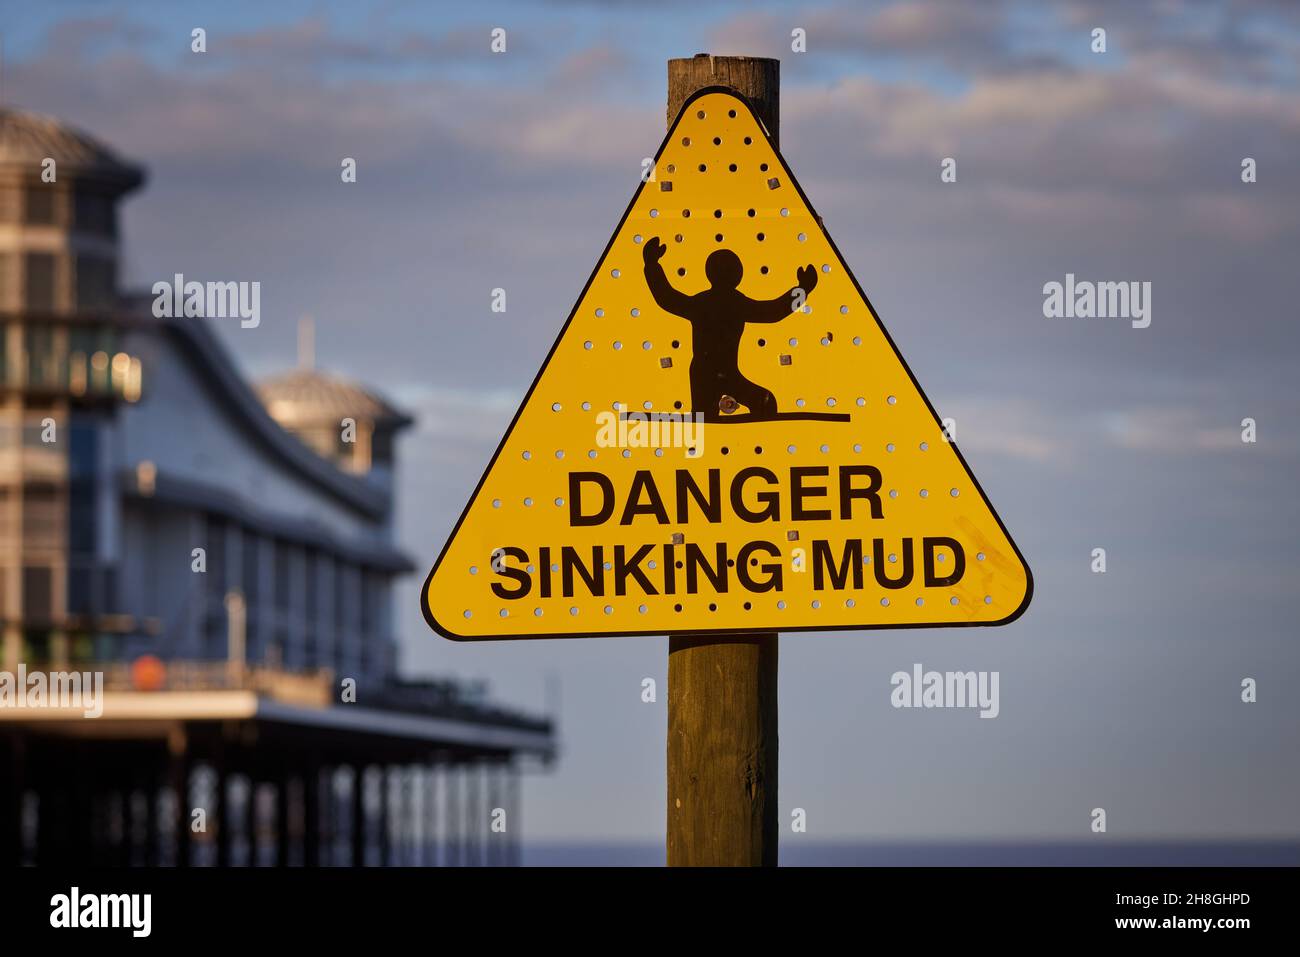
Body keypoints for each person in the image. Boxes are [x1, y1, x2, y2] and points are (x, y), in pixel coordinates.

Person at [642, 236, 817, 421]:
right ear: (739, 275)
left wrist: (651, 264)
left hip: (712, 373)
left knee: (715, 416)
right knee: (764, 403)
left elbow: (667, 298)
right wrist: (803, 290)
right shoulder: (735, 303)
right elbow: (773, 312)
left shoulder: (704, 302)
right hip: (715, 374)